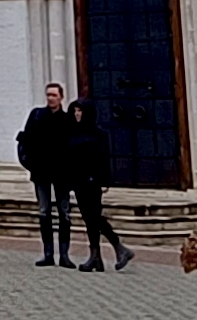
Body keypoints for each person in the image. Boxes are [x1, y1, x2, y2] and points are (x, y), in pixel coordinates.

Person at [66, 99, 135, 271]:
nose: (77, 114)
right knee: (89, 219)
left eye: (80, 111)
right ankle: (96, 257)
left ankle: (118, 247)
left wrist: (104, 180)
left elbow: (103, 158)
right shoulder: (73, 132)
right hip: (78, 180)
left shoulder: (98, 134)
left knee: (94, 216)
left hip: (92, 180)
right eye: (75, 111)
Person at [15, 83, 76, 267]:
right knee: (44, 212)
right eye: (48, 95)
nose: (51, 98)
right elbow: (25, 140)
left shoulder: (68, 120)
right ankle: (47, 253)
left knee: (64, 213)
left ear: (61, 97)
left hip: (62, 174)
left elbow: (72, 147)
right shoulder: (37, 116)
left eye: (54, 95)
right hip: (41, 172)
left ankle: (64, 255)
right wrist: (28, 162)